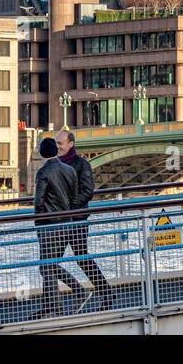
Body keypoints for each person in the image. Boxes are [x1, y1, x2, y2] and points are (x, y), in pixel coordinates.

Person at [55, 129, 115, 308]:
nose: (57, 146)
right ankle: (56, 303)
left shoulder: (82, 164)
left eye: (60, 143)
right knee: (49, 263)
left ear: (71, 144)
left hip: (77, 219)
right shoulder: (55, 164)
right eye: (56, 143)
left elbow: (88, 191)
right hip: (59, 220)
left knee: (80, 257)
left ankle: (106, 294)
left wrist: (70, 206)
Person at [32, 136, 78, 318]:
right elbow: (74, 199)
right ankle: (52, 308)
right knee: (49, 266)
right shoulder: (70, 170)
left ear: (42, 153)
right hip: (67, 224)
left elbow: (38, 202)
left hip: (49, 226)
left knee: (47, 266)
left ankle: (78, 291)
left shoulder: (43, 172)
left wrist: (38, 222)